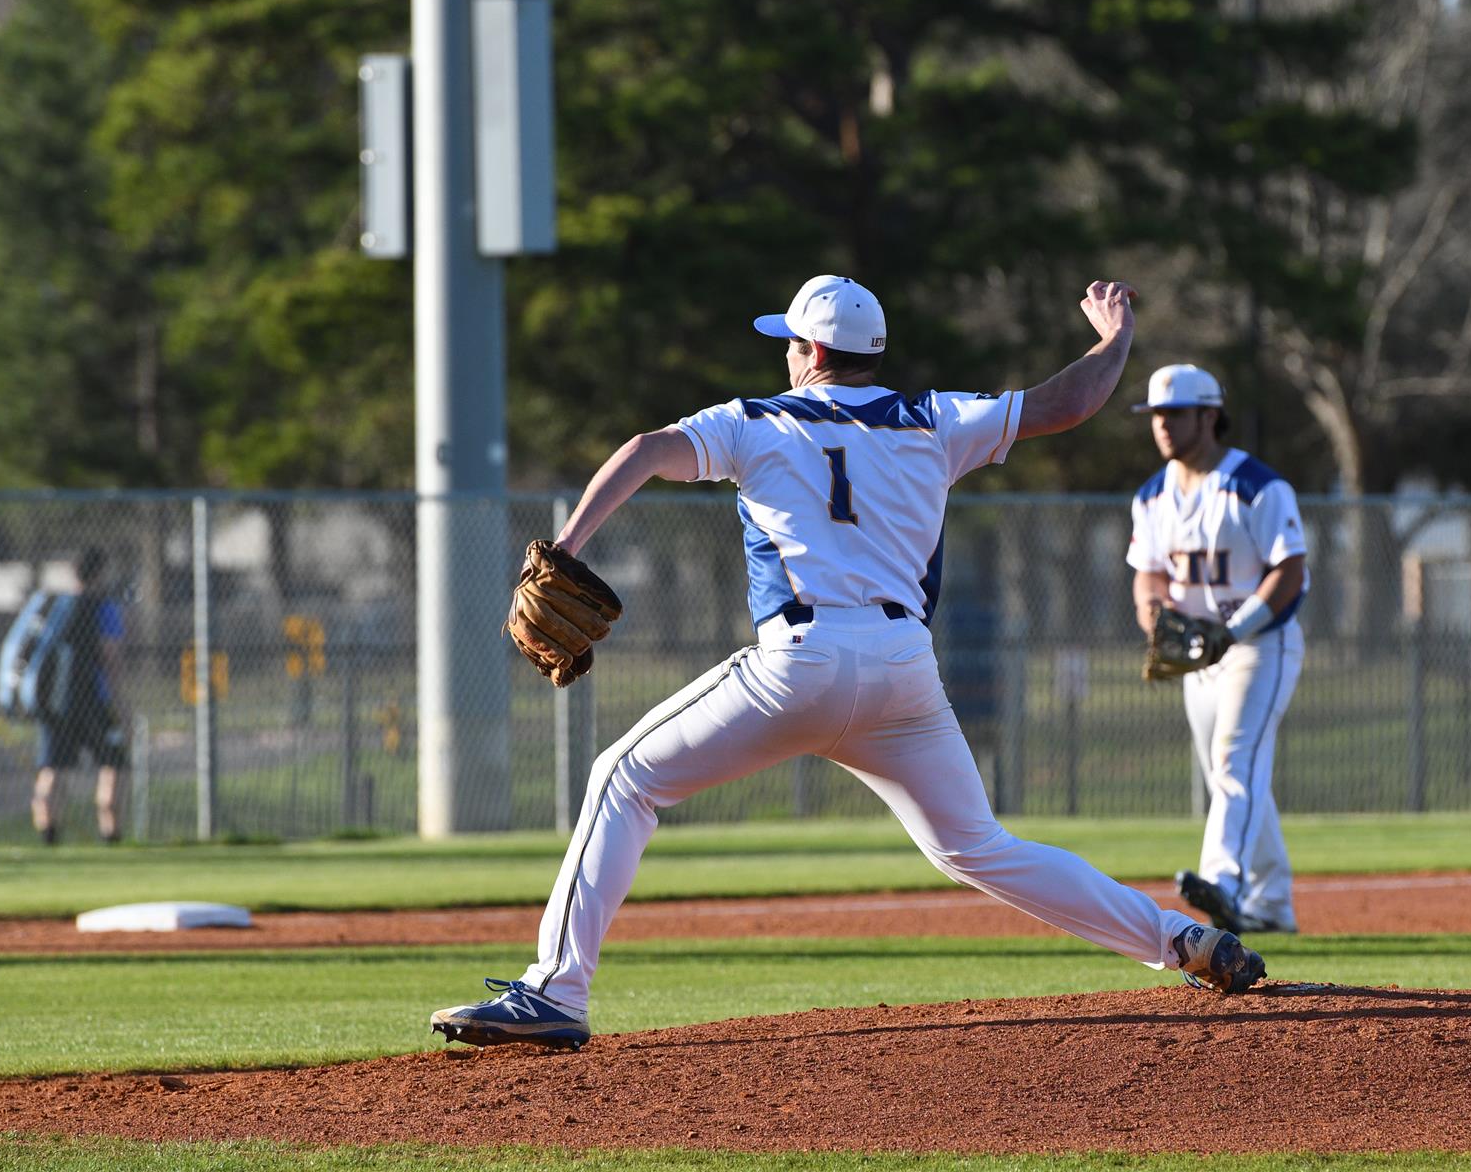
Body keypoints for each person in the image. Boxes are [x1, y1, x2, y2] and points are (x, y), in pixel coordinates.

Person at [432, 277, 1266, 1050]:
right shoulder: (935, 418)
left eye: (791, 342)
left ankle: (557, 991)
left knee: (624, 778)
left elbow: (648, 448)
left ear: (813, 353)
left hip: (800, 663)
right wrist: (1116, 337)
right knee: (977, 845)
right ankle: (1177, 938)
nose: (787, 355)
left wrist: (567, 548)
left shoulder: (758, 419)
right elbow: (1066, 401)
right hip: (905, 671)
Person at [1126, 364, 1308, 935]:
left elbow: (1291, 570)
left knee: (1234, 759)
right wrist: (1154, 615)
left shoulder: (1256, 485)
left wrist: (1238, 628)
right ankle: (1273, 904)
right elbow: (1147, 576)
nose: (1162, 425)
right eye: (1156, 415)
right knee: (1233, 772)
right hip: (1196, 658)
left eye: (1174, 413)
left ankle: (1222, 884)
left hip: (1260, 645)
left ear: (1209, 415)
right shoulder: (1152, 496)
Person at [31, 547, 128, 844]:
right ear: (100, 572)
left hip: (57, 701)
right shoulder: (103, 608)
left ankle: (48, 836)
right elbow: (110, 658)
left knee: (53, 769)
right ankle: (111, 835)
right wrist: (122, 706)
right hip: (94, 701)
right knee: (114, 764)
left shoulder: (54, 606)